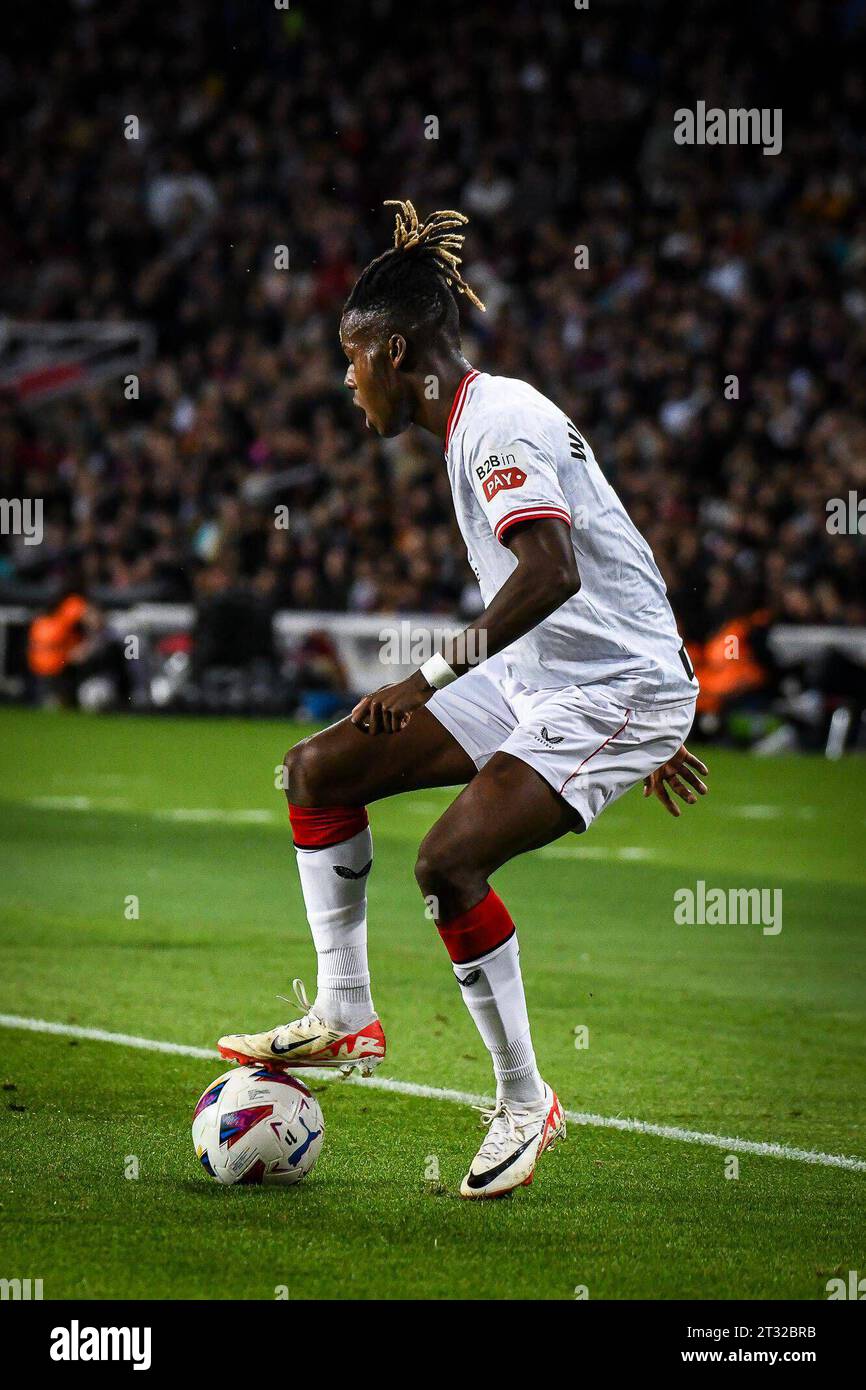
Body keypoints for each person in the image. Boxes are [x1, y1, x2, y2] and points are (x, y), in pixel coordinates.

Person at [219, 202, 708, 1199]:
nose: (346, 381)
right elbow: (612, 550)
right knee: (319, 769)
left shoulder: (497, 424)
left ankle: (523, 1098)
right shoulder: (476, 425)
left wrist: (428, 678)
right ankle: (345, 1010)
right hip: (556, 675)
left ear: (395, 351)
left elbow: (553, 569)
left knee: (447, 862)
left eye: (351, 359)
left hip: (609, 686)